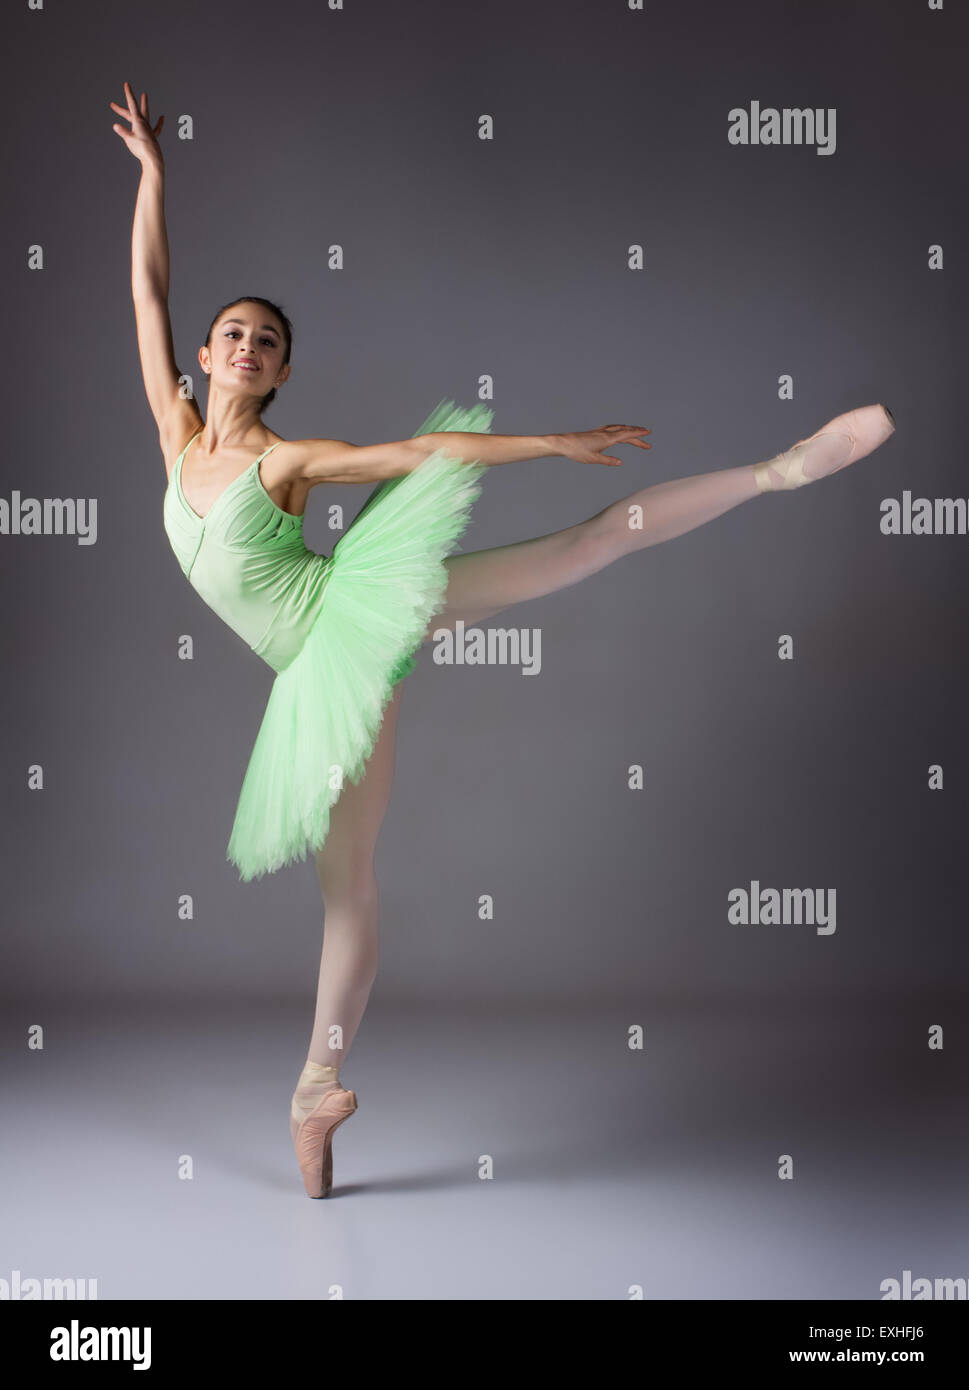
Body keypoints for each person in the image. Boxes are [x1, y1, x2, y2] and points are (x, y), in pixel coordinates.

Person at [112, 81, 896, 1198]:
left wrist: (550, 440)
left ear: (282, 373)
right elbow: (145, 290)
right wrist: (152, 175)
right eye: (233, 331)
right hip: (315, 683)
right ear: (203, 353)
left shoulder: (282, 461)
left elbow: (410, 457)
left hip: (350, 615)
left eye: (268, 340)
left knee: (577, 547)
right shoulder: (174, 431)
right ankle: (313, 1090)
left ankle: (778, 468)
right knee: (348, 886)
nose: (246, 344)